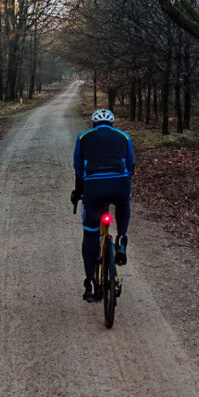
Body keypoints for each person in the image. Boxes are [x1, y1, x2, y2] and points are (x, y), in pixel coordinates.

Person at [71, 107, 135, 301]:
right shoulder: (124, 136)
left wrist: (78, 191)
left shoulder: (83, 137)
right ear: (112, 124)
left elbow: (78, 168)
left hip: (94, 187)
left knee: (90, 233)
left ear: (93, 124)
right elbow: (130, 166)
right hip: (119, 184)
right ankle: (122, 239)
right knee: (123, 204)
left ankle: (90, 282)